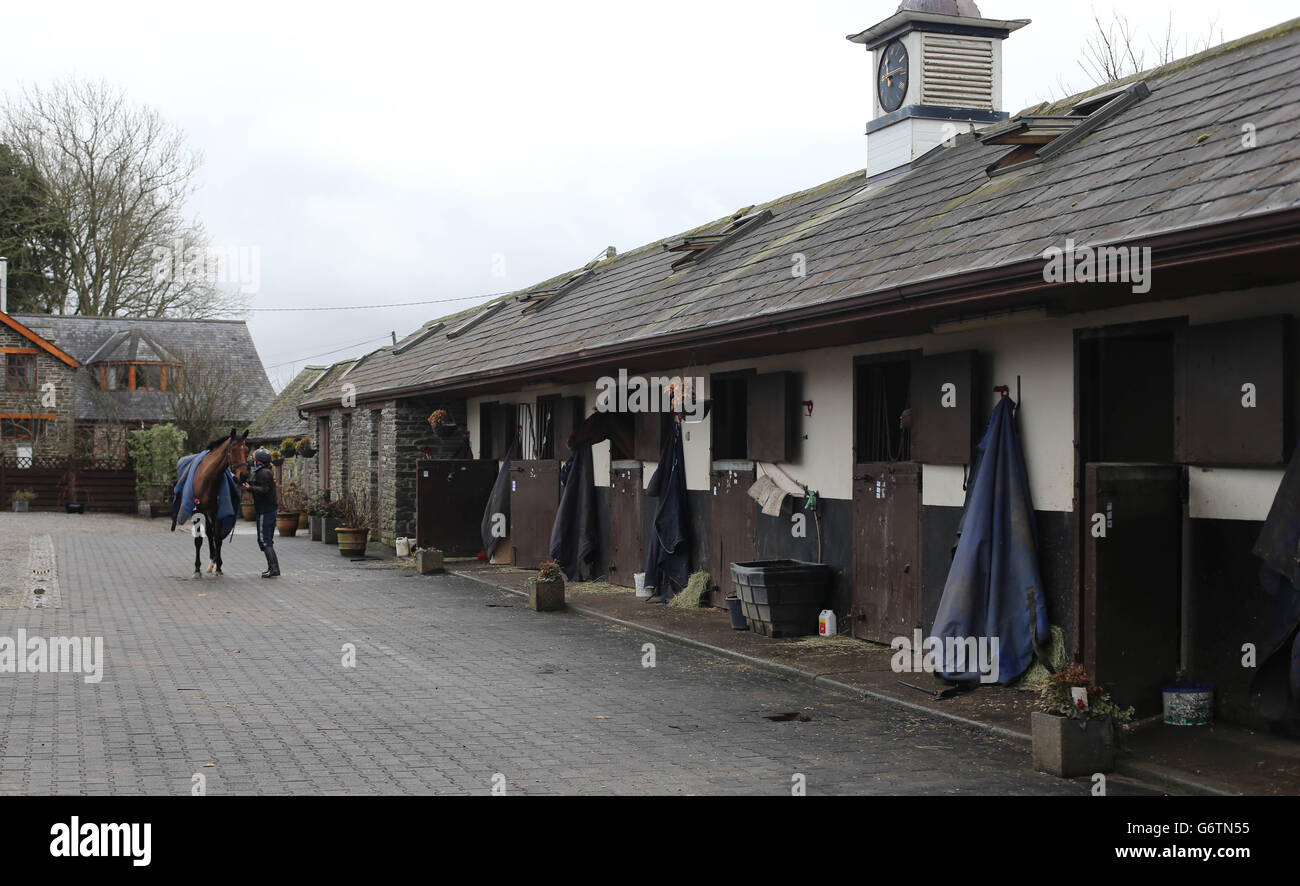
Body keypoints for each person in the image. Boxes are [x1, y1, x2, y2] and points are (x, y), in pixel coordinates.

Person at [244, 448, 280, 578]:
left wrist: (250, 488)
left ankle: (274, 568)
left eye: (254, 461)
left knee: (264, 540)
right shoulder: (265, 472)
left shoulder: (263, 473)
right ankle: (273, 567)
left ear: (259, 462)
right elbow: (257, 484)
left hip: (266, 511)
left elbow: (264, 489)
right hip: (267, 510)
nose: (253, 463)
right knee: (266, 540)